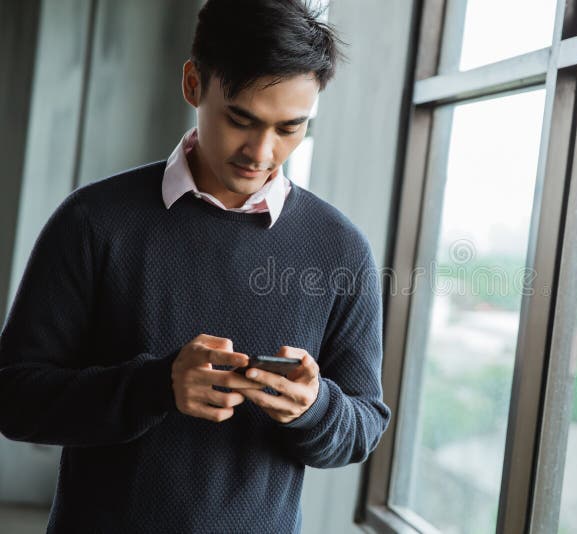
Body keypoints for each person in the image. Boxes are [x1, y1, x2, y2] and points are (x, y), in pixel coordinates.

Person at [0, 0, 390, 532]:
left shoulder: (341, 249)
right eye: (241, 119)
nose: (262, 151)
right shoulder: (92, 222)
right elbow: (15, 397)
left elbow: (364, 425)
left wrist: (316, 407)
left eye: (290, 128)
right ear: (192, 84)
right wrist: (156, 387)